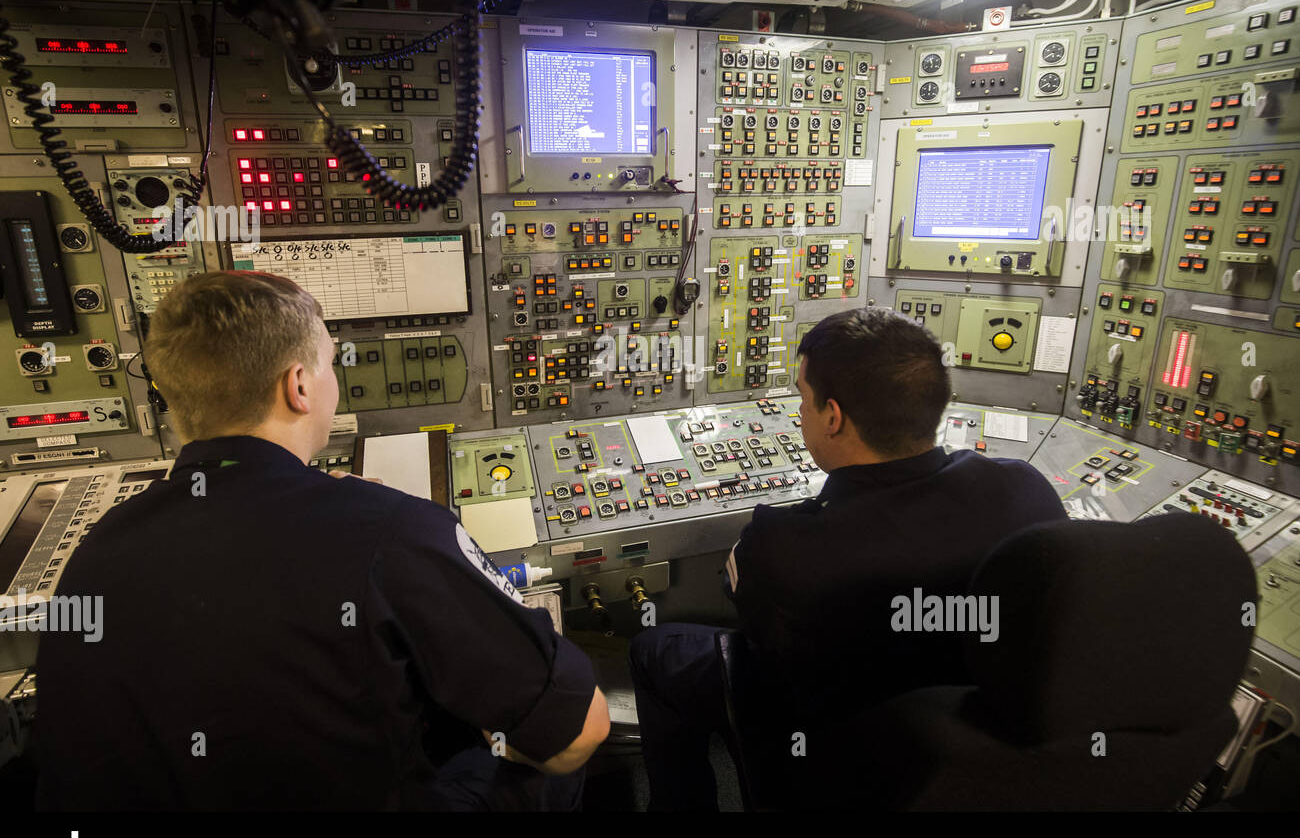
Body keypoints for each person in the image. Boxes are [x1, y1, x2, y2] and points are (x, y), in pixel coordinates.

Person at [35, 271, 609, 810]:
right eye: (331, 362)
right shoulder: (392, 534)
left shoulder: (98, 550)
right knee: (549, 766)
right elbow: (574, 737)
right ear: (301, 386)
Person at [629, 307, 1068, 809]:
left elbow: (743, 600)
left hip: (836, 754)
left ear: (833, 417)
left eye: (802, 398)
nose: (799, 412)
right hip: (969, 736)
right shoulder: (1025, 488)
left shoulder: (783, 548)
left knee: (655, 649)